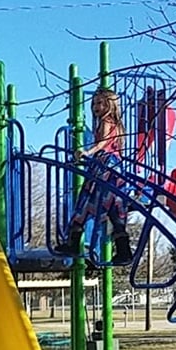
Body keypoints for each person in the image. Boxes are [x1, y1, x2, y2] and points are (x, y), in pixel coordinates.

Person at [58, 88, 133, 264]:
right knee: (113, 208)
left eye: (100, 103)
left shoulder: (107, 121)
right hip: (113, 168)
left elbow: (103, 143)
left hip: (105, 166)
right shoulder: (116, 124)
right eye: (94, 103)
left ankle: (74, 242)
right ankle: (124, 250)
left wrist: (87, 152)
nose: (96, 107)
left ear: (110, 104)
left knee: (86, 202)